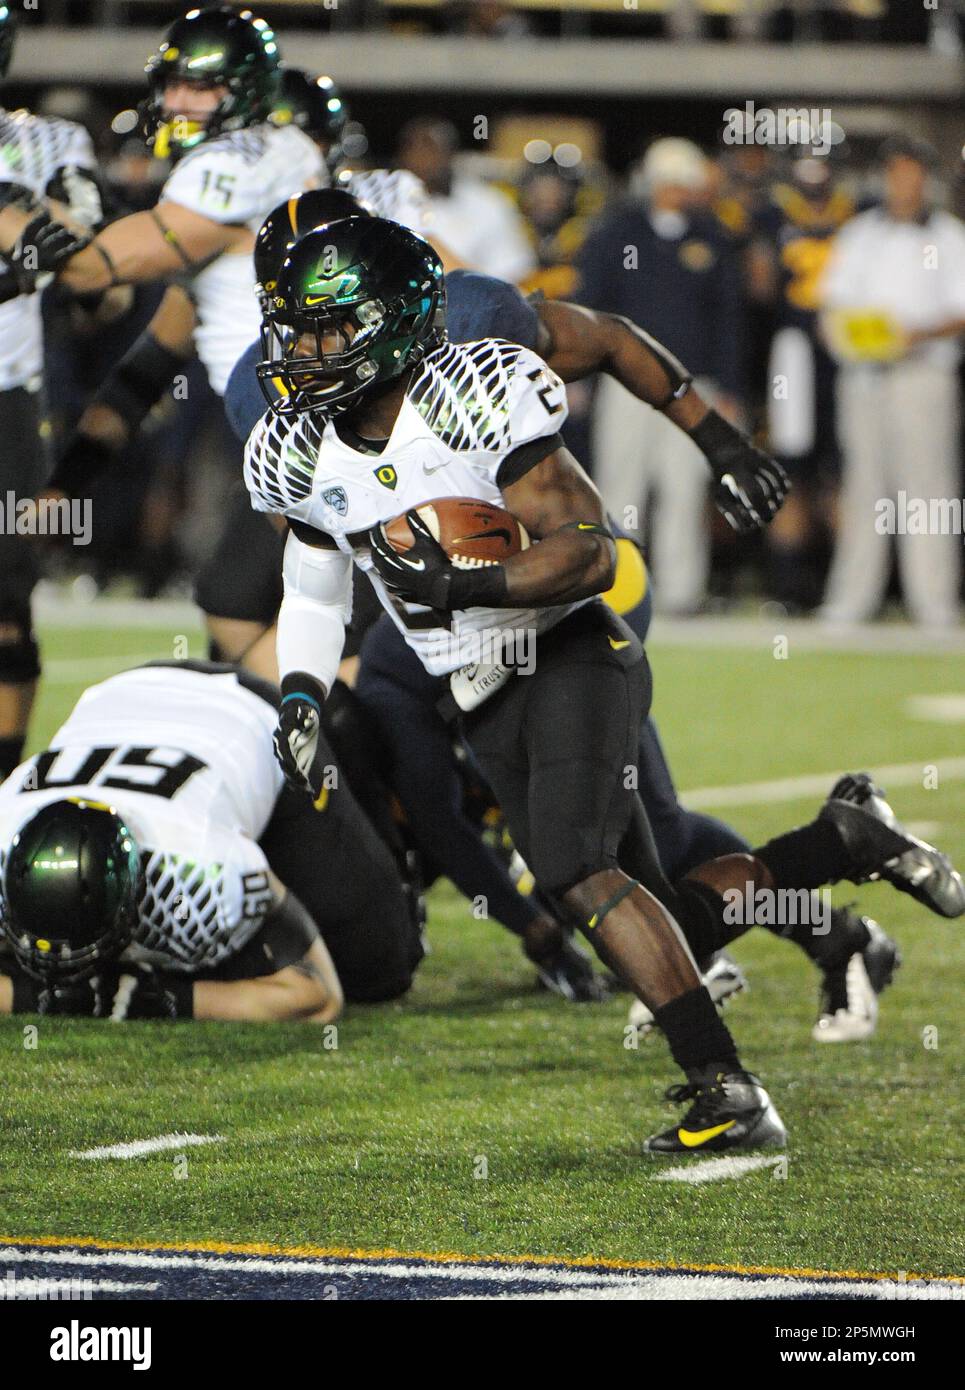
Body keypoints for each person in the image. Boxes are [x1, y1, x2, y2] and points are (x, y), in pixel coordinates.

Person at [244, 215, 964, 1152]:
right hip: (475, 687)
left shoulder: (474, 391)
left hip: (570, 652)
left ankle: (728, 1090)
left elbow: (589, 553)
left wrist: (468, 581)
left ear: (389, 321)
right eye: (291, 329)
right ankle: (839, 839)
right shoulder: (294, 444)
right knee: (659, 913)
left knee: (578, 873)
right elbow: (312, 584)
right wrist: (300, 693)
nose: (301, 351)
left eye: (324, 329)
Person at [0, 661, 423, 1021]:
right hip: (123, 695)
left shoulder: (198, 864)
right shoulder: (5, 827)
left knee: (377, 972)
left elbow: (319, 997)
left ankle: (375, 767)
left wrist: (144, 998)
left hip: (250, 714)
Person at [576, 137, 749, 614]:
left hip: (691, 385)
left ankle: (681, 592)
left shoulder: (711, 235)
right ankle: (615, 589)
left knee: (684, 487)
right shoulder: (616, 233)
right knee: (618, 485)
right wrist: (582, 376)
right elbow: (589, 311)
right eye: (671, 181)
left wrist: (728, 388)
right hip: (624, 382)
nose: (678, 191)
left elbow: (728, 320)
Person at [0, 6, 103, 779]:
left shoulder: (46, 142)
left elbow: (90, 260)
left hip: (8, 389)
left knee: (5, 601)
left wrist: (14, 211)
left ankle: (2, 781)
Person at [818, 136, 965, 629]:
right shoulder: (861, 234)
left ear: (925, 180)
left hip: (922, 375)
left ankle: (934, 604)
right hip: (864, 377)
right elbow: (833, 303)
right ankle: (851, 601)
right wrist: (852, 335)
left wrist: (915, 333)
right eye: (896, 174)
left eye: (912, 174)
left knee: (927, 490)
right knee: (864, 487)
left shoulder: (948, 237)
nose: (904, 184)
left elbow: (961, 311)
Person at [396, 117, 535, 283]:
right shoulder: (384, 203)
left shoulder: (489, 203)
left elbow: (512, 271)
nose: (421, 157)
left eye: (430, 147)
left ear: (451, 153)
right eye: (412, 148)